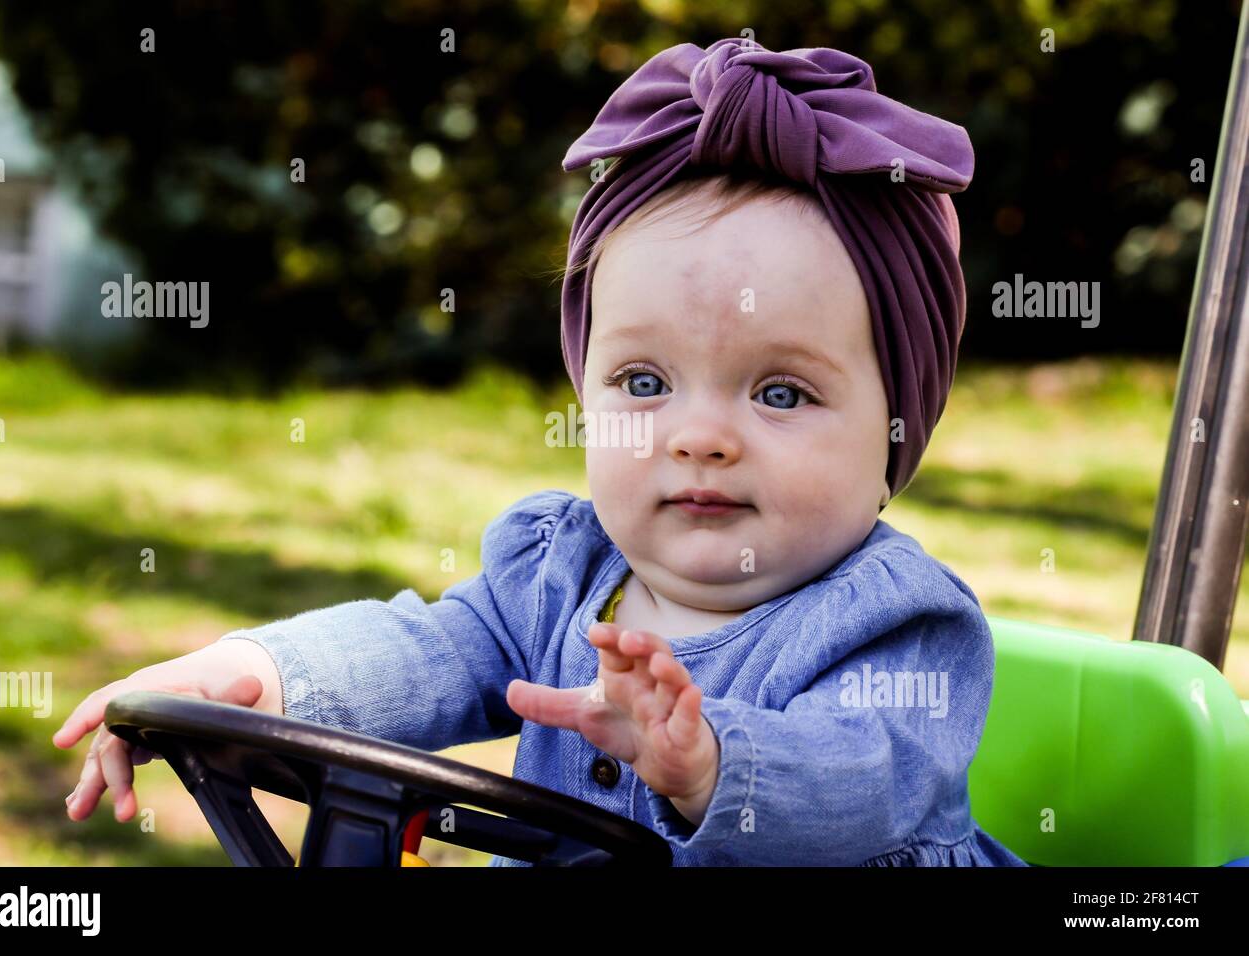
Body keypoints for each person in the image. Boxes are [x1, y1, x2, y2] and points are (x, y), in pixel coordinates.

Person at [54, 36, 1027, 866]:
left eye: (780, 391)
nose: (696, 435)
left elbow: (864, 775)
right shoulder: (560, 573)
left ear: (897, 428)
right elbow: (424, 651)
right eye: (643, 383)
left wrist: (710, 761)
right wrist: (257, 673)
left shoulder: (898, 623)